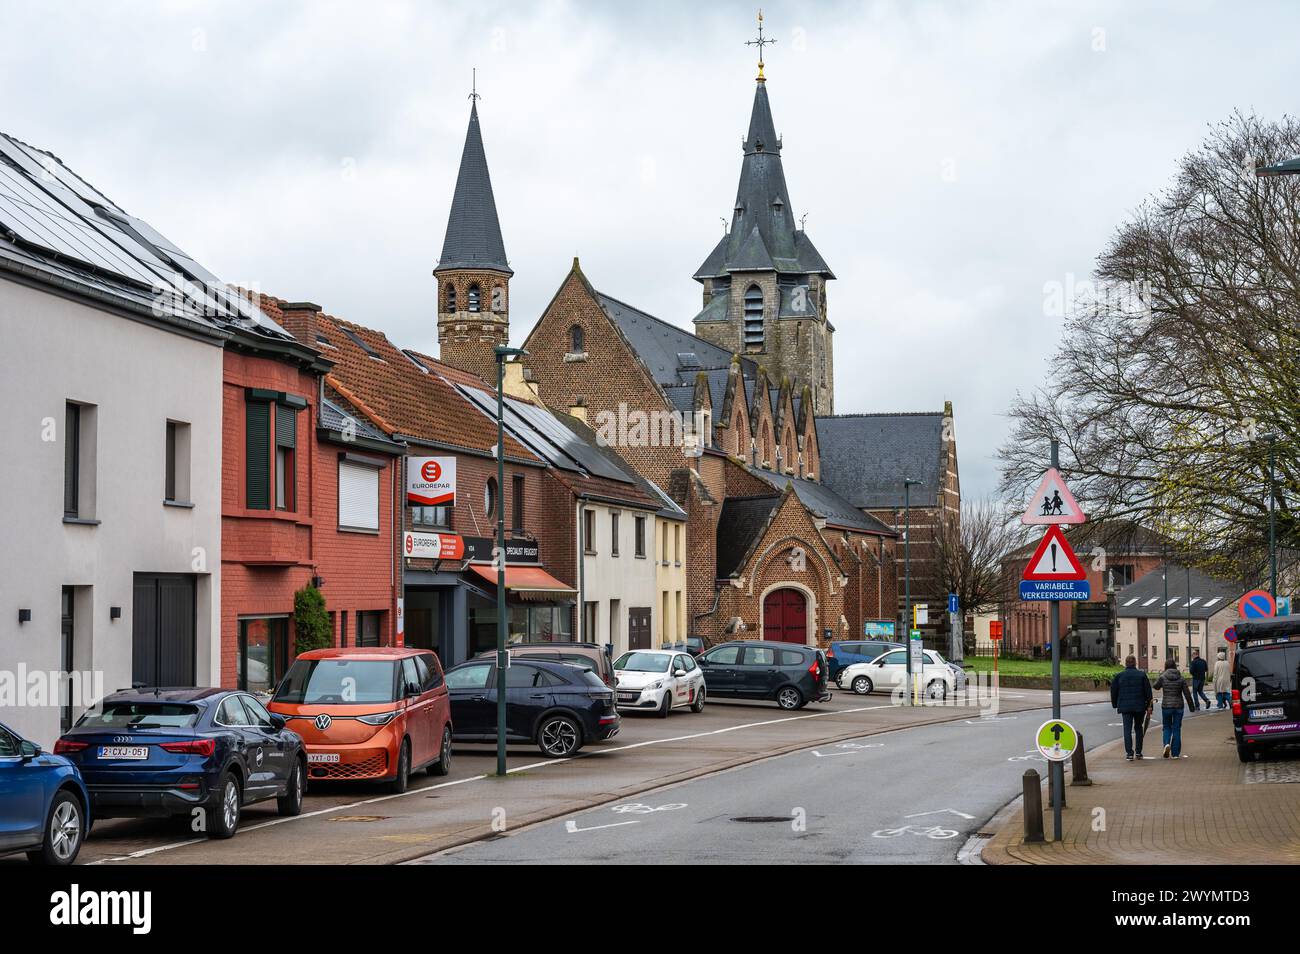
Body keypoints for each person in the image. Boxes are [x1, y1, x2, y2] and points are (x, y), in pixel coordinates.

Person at [1110, 654, 1154, 760]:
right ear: (1135, 663)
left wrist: (1115, 704)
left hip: (1125, 706)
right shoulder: (1142, 675)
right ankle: (1138, 752)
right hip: (1140, 706)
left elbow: (1114, 691)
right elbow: (1148, 692)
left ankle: (1129, 753)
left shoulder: (1119, 676)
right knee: (1138, 728)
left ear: (1125, 663)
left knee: (1127, 729)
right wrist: (1150, 706)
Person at [1154, 658, 1195, 758]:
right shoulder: (1181, 678)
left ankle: (1166, 744)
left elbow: (1156, 686)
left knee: (1167, 727)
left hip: (1166, 706)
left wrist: (1161, 680)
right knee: (1176, 728)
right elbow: (1187, 694)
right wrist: (1191, 707)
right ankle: (1175, 754)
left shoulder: (1163, 676)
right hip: (1178, 706)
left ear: (1166, 666)